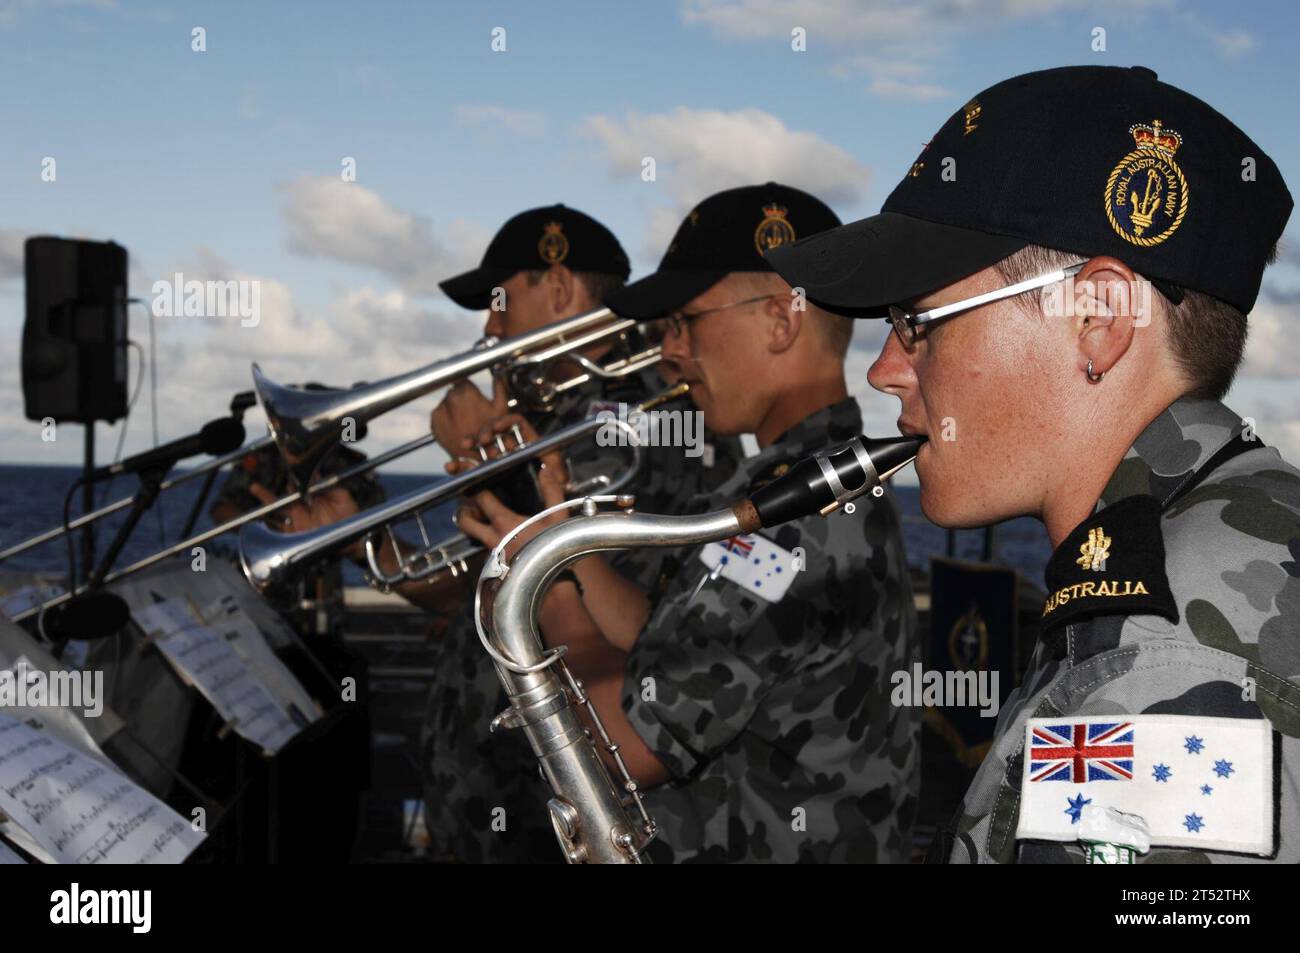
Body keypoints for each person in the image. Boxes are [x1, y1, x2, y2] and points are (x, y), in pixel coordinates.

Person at [767, 65, 1298, 863]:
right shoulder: (1208, 538)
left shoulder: (1161, 655)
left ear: (1097, 316)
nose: (883, 369)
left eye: (917, 320)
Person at [458, 183, 920, 863]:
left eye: (685, 322)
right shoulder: (783, 486)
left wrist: (538, 582)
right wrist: (568, 545)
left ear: (778, 321)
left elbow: (622, 745)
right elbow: (659, 640)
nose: (668, 350)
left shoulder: (797, 515)